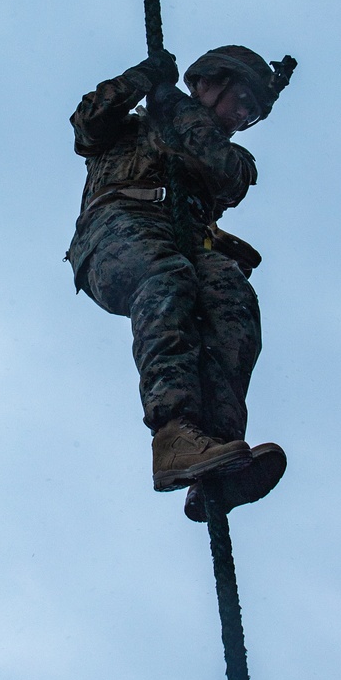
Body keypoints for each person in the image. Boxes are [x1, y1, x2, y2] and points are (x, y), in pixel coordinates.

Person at [66, 45, 296, 519]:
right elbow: (87, 123)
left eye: (252, 112)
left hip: (191, 240)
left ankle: (218, 451)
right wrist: (141, 79)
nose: (242, 115)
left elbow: (223, 172)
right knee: (166, 277)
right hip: (119, 228)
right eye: (241, 101)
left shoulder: (233, 155)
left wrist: (175, 103)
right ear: (210, 81)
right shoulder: (132, 131)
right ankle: (174, 433)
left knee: (232, 304)